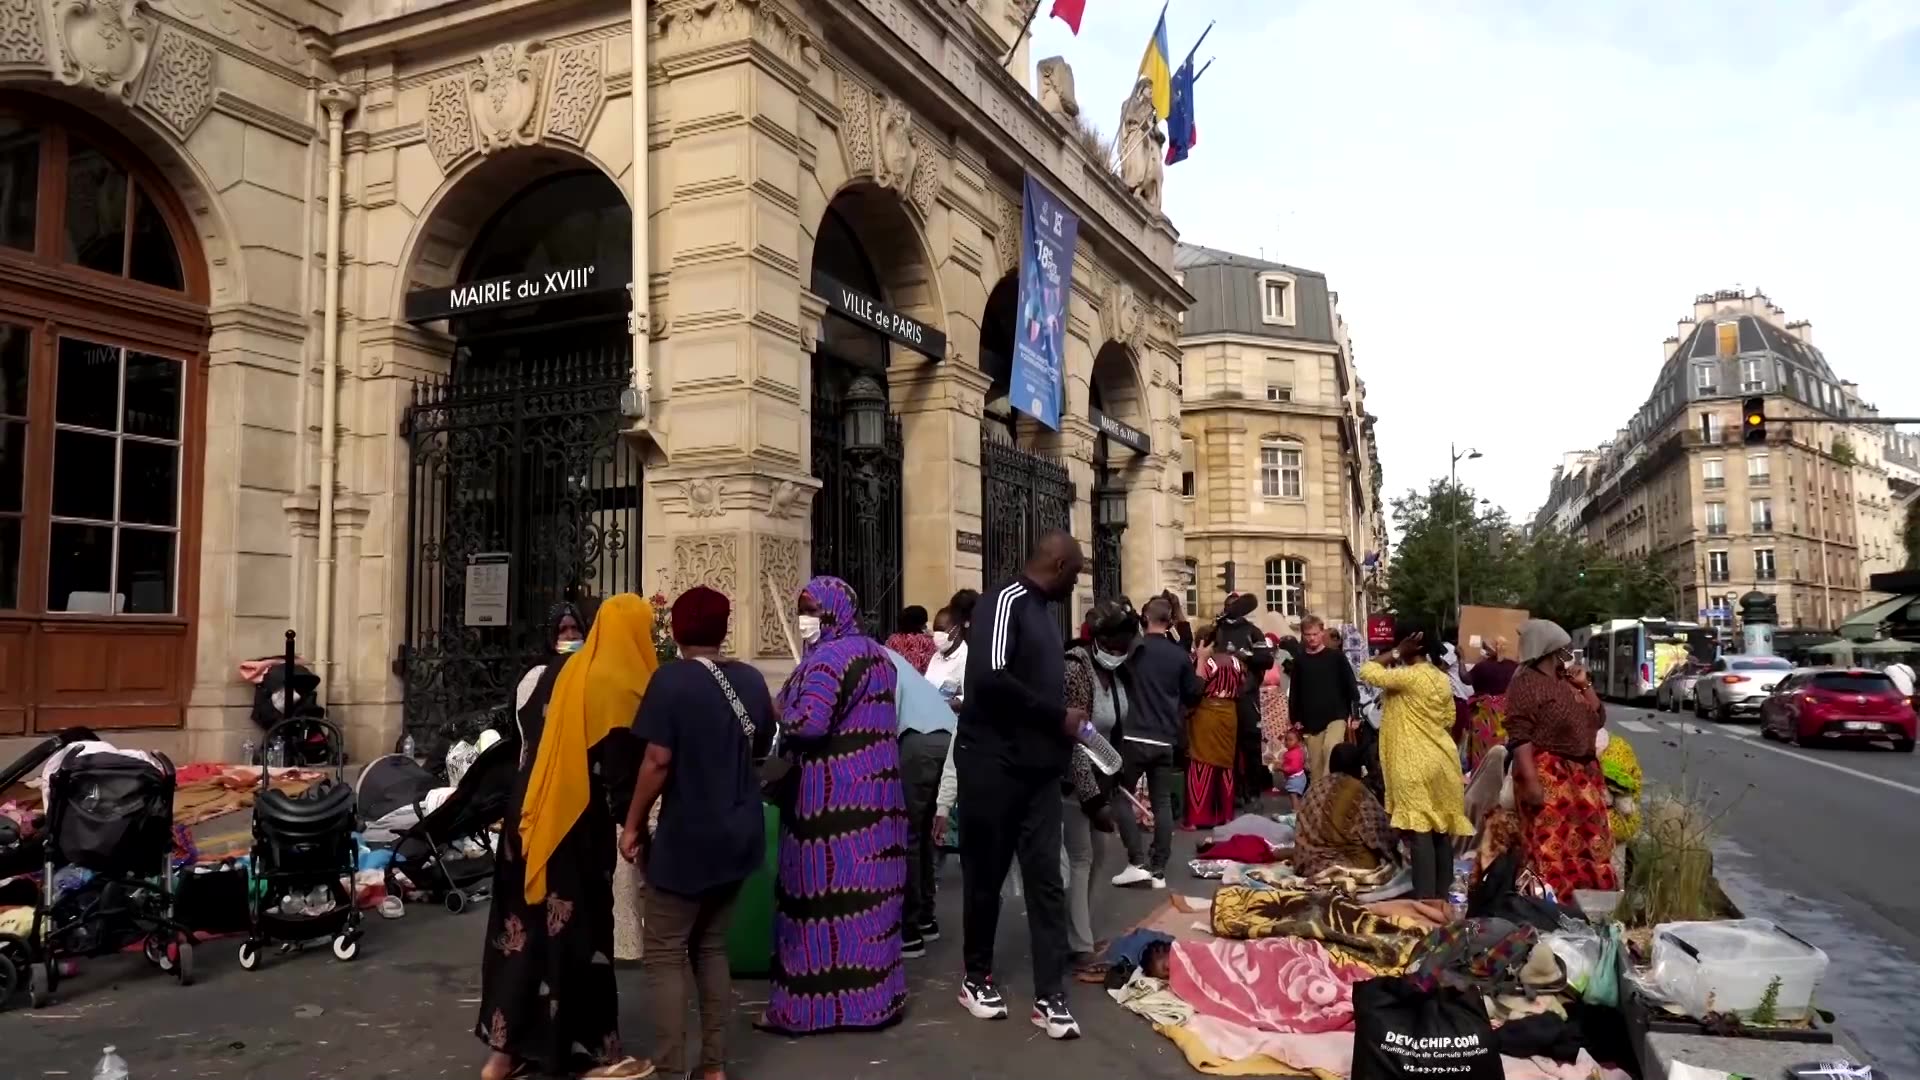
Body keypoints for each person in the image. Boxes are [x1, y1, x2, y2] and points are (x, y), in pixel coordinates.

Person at [478, 594, 658, 1080]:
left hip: (526, 816)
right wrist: (637, 833)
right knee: (577, 938)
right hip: (573, 827)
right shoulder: (617, 685)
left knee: (518, 933)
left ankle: (502, 1055)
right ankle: (589, 1053)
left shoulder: (551, 675)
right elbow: (619, 777)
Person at [621, 587, 770, 1080]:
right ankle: (714, 1065)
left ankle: (668, 1069)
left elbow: (657, 760)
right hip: (740, 833)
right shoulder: (749, 679)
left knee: (664, 951)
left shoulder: (670, 682)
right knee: (711, 946)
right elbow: (762, 744)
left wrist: (633, 823)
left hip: (689, 838)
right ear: (723, 629)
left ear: (677, 630)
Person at [954, 529, 1087, 1040]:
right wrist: (1059, 717)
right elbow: (989, 677)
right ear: (1057, 565)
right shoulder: (1004, 600)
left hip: (1038, 770)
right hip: (992, 763)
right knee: (985, 873)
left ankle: (1050, 996)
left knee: (1045, 881)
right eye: (1074, 574)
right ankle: (975, 976)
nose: (1075, 583)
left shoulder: (1045, 615)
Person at [762, 577, 908, 1036]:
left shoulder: (826, 660)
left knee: (820, 906)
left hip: (829, 806)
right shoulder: (879, 656)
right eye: (801, 607)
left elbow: (808, 724)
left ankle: (809, 1011)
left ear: (832, 612)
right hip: (879, 802)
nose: (805, 617)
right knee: (871, 904)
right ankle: (874, 1002)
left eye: (811, 609)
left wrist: (778, 707)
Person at [1358, 628, 1474, 901]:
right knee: (1441, 830)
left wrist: (1397, 652)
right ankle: (1444, 899)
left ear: (1411, 647)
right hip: (1443, 761)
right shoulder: (1442, 679)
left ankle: (1425, 903)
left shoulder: (1406, 677)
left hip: (1413, 762)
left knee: (1420, 831)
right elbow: (1448, 719)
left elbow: (1366, 671)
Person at [1505, 619, 1617, 897]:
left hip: (1580, 776)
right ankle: (1549, 904)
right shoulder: (1526, 684)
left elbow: (1598, 717)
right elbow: (1520, 737)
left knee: (1593, 841)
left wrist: (1584, 685)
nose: (1567, 653)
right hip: (1547, 774)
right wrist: (1531, 782)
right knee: (1549, 844)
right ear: (1548, 648)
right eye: (1563, 648)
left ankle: (1588, 902)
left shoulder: (1565, 679)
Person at [1060, 601, 1135, 975]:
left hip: (1099, 776)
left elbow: (1104, 731)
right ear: (1100, 639)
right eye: (1117, 645)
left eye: (1126, 647)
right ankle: (1078, 944)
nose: (1120, 653)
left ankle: (1079, 933)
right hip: (1073, 780)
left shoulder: (1115, 674)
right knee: (1081, 858)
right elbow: (1075, 738)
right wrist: (1092, 799)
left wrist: (1115, 775)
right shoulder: (1076, 668)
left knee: (1099, 857)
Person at [1111, 596, 1201, 889]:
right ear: (1170, 622)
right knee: (1162, 803)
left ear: (1145, 618)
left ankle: (1137, 860)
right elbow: (1192, 695)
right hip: (1164, 736)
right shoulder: (1178, 655)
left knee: (1120, 794)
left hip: (1133, 733)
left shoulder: (1134, 650)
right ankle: (1158, 868)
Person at [887, 618, 957, 959]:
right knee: (926, 835)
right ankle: (927, 920)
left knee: (909, 837)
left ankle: (909, 931)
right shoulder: (895, 662)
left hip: (921, 742)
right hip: (948, 737)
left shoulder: (874, 661)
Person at [1277, 615, 1361, 790]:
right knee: (1315, 766)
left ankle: (1330, 793)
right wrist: (1295, 717)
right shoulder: (1300, 661)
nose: (1312, 638)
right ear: (1303, 635)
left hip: (1336, 715)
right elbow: (1296, 691)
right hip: (1311, 720)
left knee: (1330, 749)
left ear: (1322, 632)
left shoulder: (1336, 657)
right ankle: (1319, 802)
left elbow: (1350, 685)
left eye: (1315, 634)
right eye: (1308, 634)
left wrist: (1355, 713)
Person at [1292, 742, 1396, 877]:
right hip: (1345, 864)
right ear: (1357, 767)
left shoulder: (1315, 787)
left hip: (1307, 863)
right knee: (1377, 858)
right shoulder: (1358, 791)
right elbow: (1379, 835)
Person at [1212, 593, 1274, 808]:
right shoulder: (1217, 630)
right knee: (1227, 747)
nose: (1231, 608)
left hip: (1247, 698)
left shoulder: (1252, 631)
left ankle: (1254, 792)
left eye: (1235, 605)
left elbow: (1267, 659)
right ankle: (1233, 791)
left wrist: (1245, 656)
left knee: (1251, 748)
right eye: (1228, 605)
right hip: (1222, 699)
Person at [1186, 633, 1244, 829]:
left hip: (1206, 713)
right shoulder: (1236, 662)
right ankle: (1226, 815)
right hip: (1229, 714)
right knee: (1226, 766)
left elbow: (1196, 686)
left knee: (1201, 764)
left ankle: (1197, 818)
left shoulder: (1206, 662)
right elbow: (1243, 685)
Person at [886, 605, 937, 675]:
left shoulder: (892, 640)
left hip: (897, 681)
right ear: (921, 623)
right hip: (921, 681)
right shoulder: (927, 641)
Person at [1279, 730, 1308, 814]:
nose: (1287, 742)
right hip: (1296, 777)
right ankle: (1297, 810)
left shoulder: (1295, 753)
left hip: (1296, 778)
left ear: (1298, 742)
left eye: (1290, 740)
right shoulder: (1291, 752)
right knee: (1294, 795)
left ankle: (1295, 812)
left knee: (1293, 795)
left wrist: (1281, 768)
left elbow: (1293, 768)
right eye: (1286, 740)